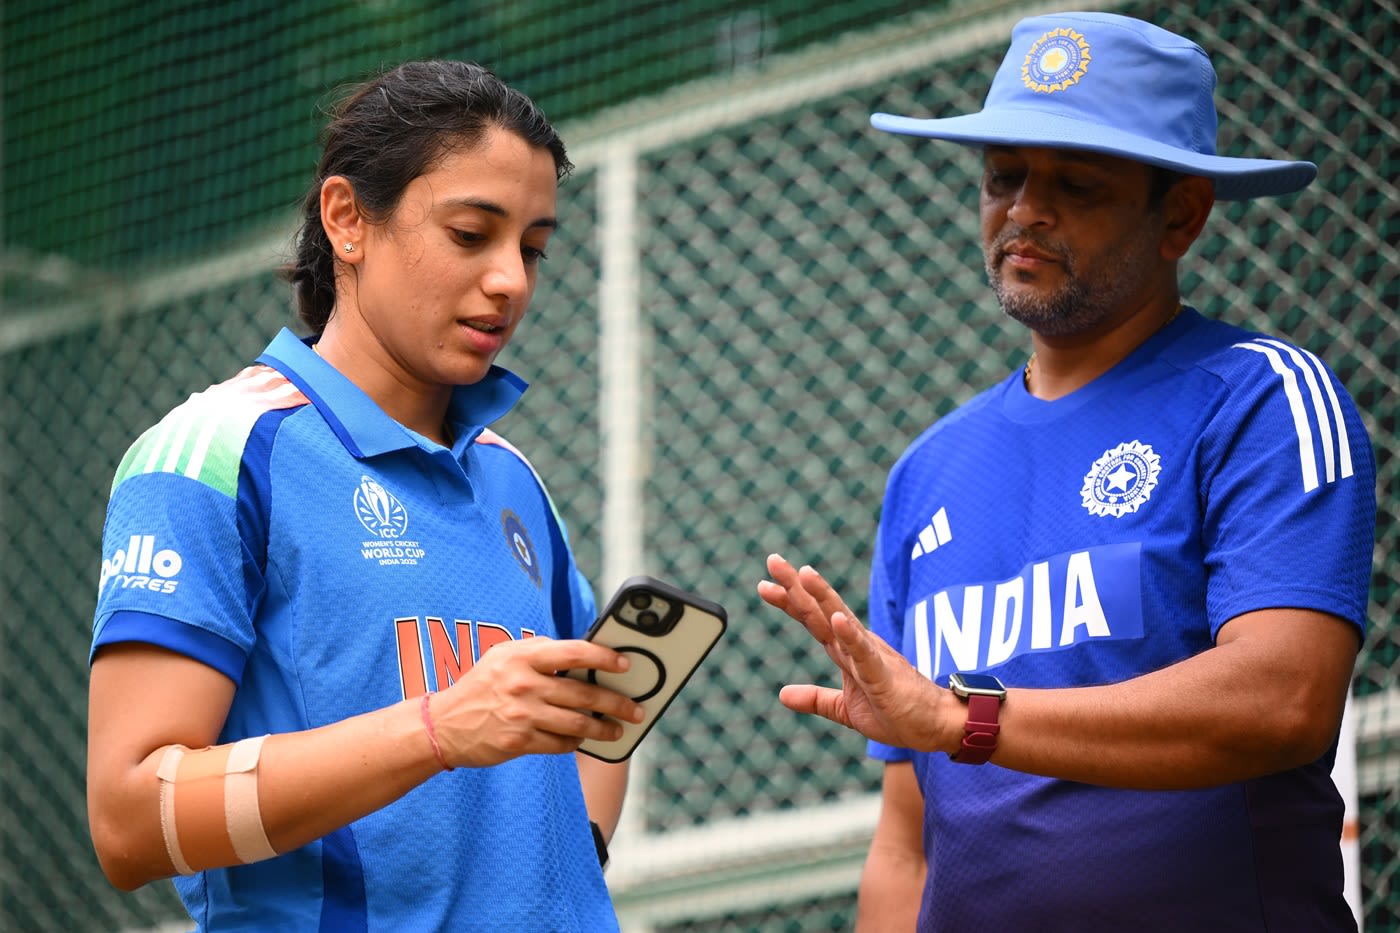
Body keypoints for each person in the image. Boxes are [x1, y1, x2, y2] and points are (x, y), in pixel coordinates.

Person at [759, 12, 1375, 932]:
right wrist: (939, 725)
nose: (1023, 210)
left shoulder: (1262, 397)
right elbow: (907, 841)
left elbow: (1283, 697)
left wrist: (964, 717)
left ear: (1182, 214)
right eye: (1003, 176)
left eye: (1074, 182)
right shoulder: (928, 471)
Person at [86, 60, 644, 931]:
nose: (512, 281)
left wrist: (576, 856)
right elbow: (127, 820)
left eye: (533, 247)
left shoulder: (510, 475)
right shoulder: (212, 453)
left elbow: (596, 720)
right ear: (347, 219)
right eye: (471, 234)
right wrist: (434, 729)